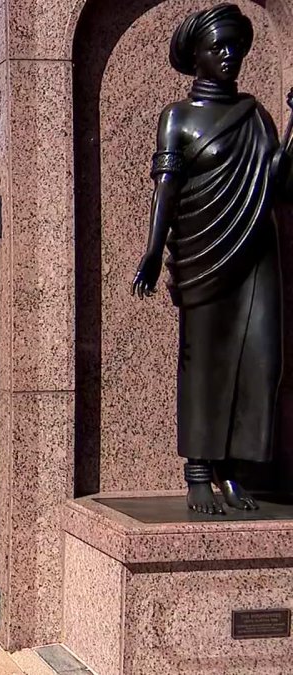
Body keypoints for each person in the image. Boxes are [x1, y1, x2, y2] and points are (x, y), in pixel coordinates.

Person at [131, 4, 287, 515]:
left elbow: (279, 183)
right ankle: (200, 468)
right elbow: (167, 188)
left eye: (235, 47)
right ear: (194, 55)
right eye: (218, 46)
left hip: (258, 252)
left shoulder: (255, 115)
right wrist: (154, 251)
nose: (229, 56)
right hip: (203, 253)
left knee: (261, 359)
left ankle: (235, 470)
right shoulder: (178, 118)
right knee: (206, 363)